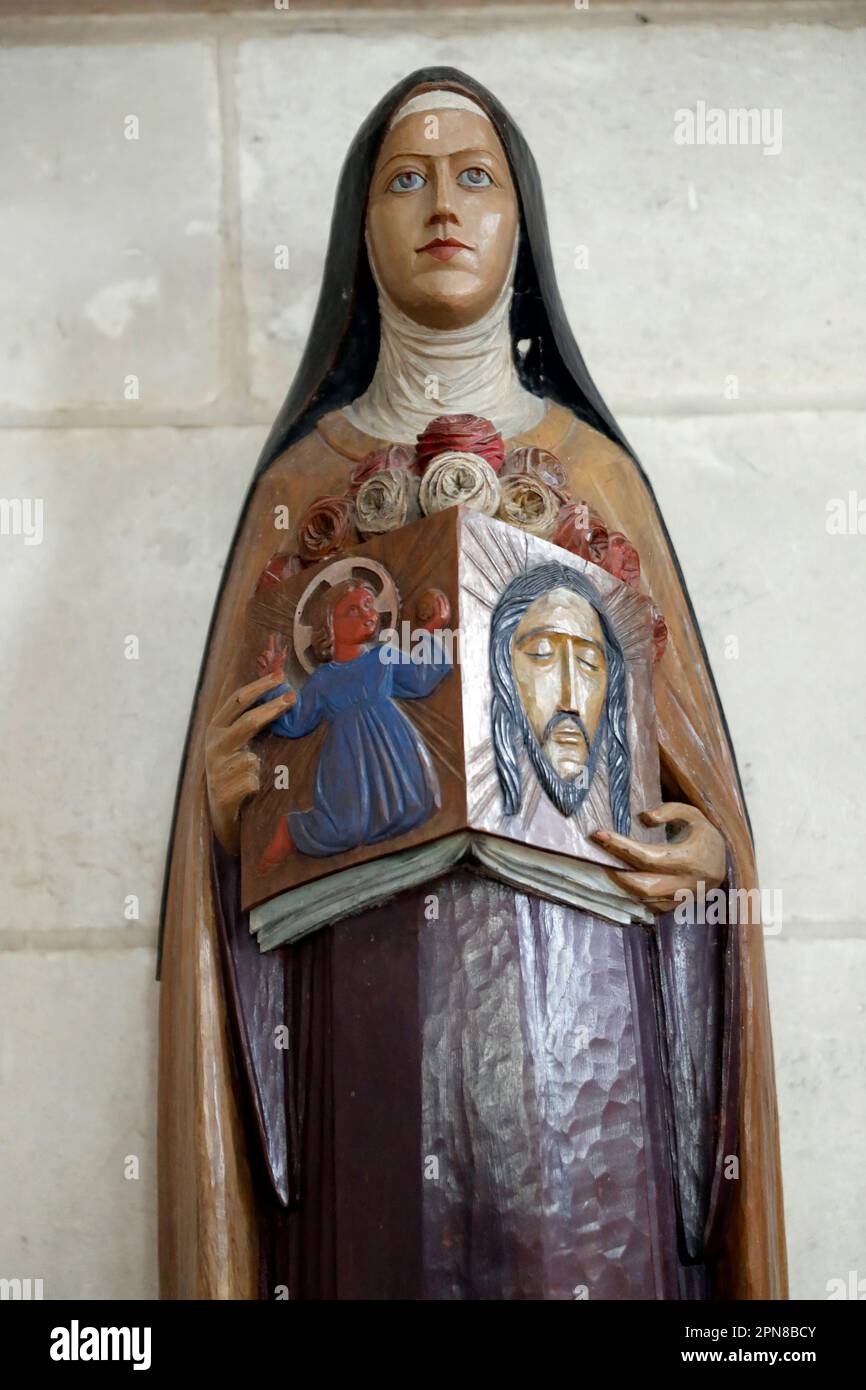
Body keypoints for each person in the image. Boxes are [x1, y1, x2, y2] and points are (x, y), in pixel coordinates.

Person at [158, 70, 786, 1300]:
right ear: (364, 228)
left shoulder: (589, 472)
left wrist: (705, 854)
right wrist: (236, 802)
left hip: (583, 1020)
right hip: (365, 1013)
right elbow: (225, 827)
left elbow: (692, 773)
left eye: (473, 175)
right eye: (406, 177)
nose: (441, 203)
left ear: (517, 223)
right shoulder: (307, 485)